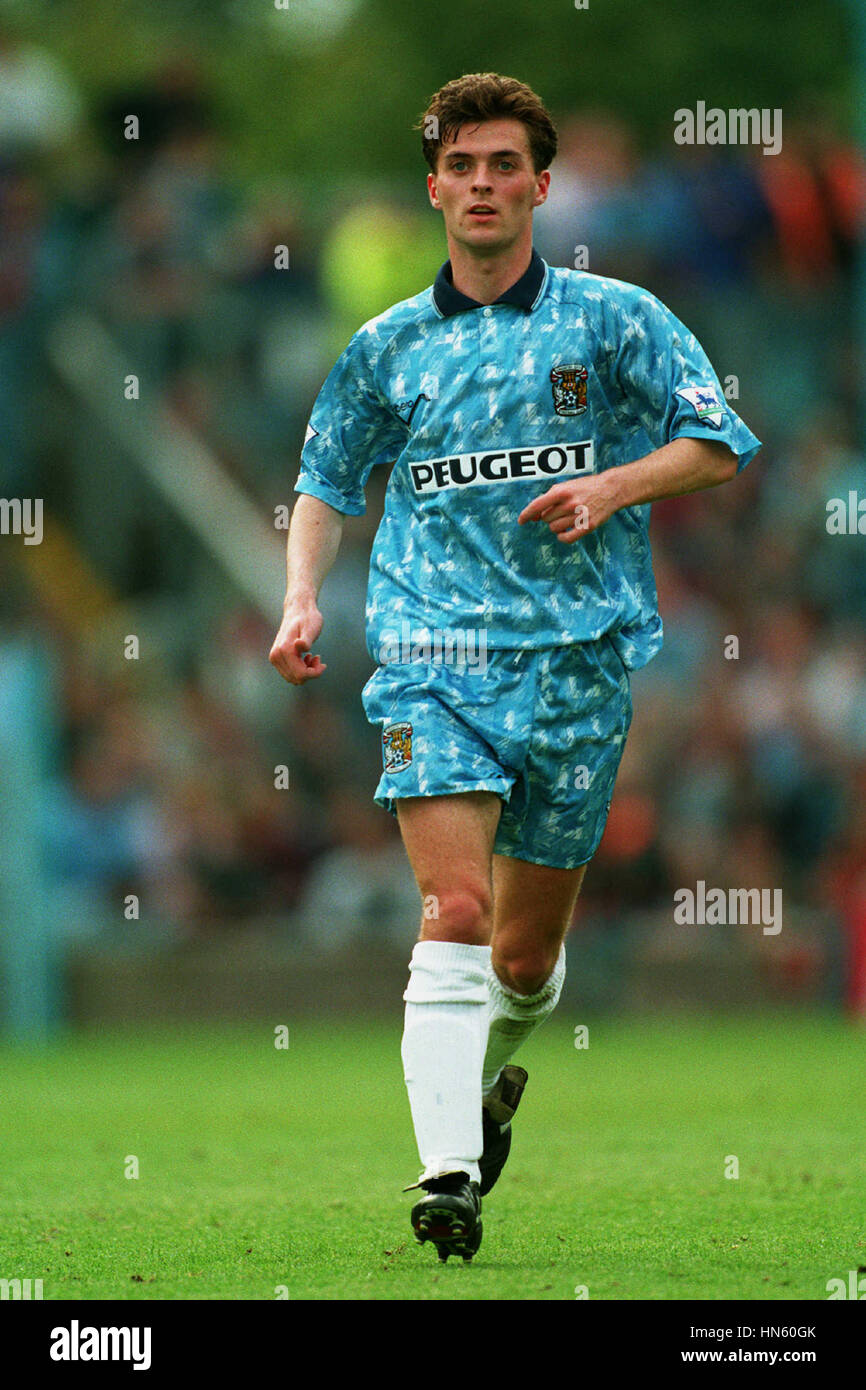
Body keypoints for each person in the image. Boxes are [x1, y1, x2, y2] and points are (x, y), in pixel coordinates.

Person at [269, 72, 761, 1263]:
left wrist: (609, 483)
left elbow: (716, 443)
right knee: (454, 906)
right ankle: (445, 1171)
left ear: (540, 185)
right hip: (430, 656)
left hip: (577, 666)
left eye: (503, 166)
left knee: (525, 963)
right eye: (460, 165)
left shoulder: (616, 320)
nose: (480, 184)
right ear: (432, 185)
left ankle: (479, 1094)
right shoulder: (384, 347)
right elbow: (326, 484)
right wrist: (297, 600)